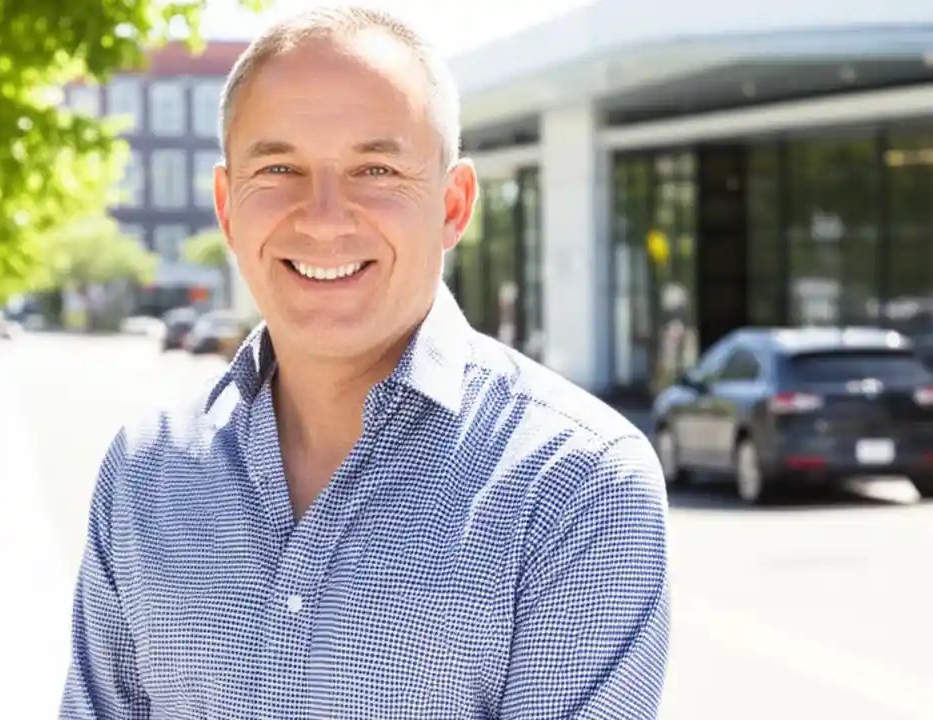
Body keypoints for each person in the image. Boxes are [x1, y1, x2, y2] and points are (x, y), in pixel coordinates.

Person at [60, 6, 670, 718]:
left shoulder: (576, 485)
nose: (323, 217)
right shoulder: (146, 474)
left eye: (375, 169)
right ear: (227, 207)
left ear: (453, 204)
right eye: (279, 167)